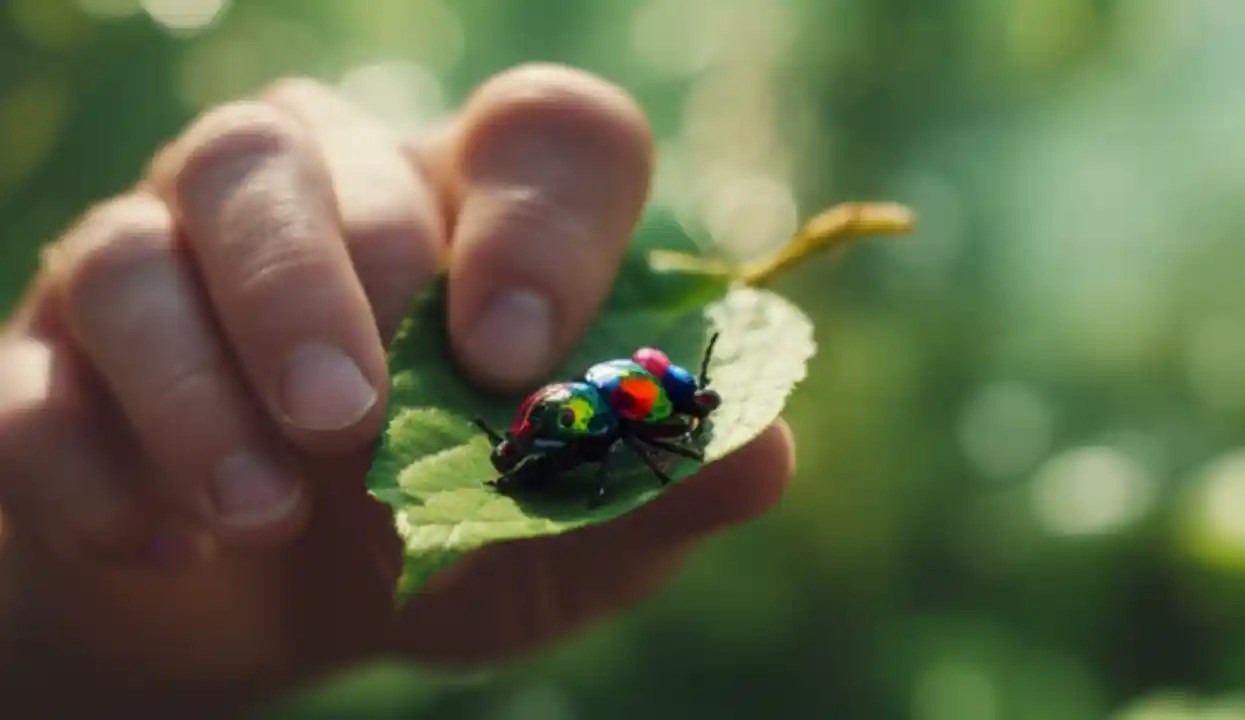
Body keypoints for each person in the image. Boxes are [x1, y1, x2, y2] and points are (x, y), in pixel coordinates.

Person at [0, 64, 794, 714]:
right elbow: (638, 440)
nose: (685, 416)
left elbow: (628, 430)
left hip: (541, 435)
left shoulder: (621, 395)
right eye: (683, 406)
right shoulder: (632, 409)